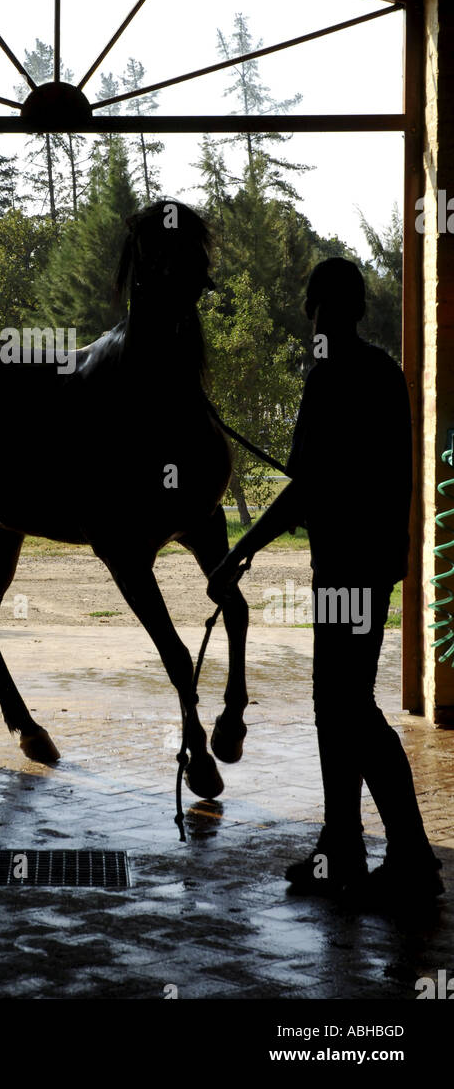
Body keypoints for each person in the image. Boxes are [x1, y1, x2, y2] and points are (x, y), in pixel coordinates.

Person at [207, 257, 443, 905]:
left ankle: (410, 855)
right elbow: (334, 484)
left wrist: (237, 553)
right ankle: (341, 845)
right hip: (363, 570)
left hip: (345, 572)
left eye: (315, 307)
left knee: (346, 707)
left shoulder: (330, 378)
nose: (315, 319)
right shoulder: (382, 374)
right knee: (336, 705)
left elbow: (301, 491)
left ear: (322, 310)